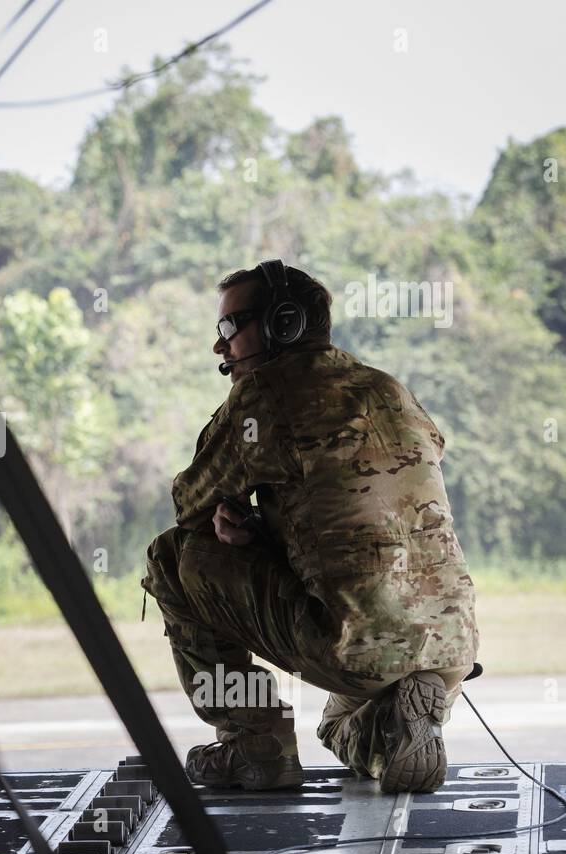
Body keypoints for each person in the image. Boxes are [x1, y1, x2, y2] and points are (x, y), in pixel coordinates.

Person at [141, 260, 479, 793]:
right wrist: (262, 533)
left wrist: (231, 518)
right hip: (451, 646)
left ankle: (255, 747)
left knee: (172, 556)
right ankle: (399, 723)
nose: (220, 346)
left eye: (231, 327)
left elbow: (191, 504)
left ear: (284, 323)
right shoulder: (388, 388)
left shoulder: (266, 394)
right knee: (337, 728)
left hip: (355, 649)